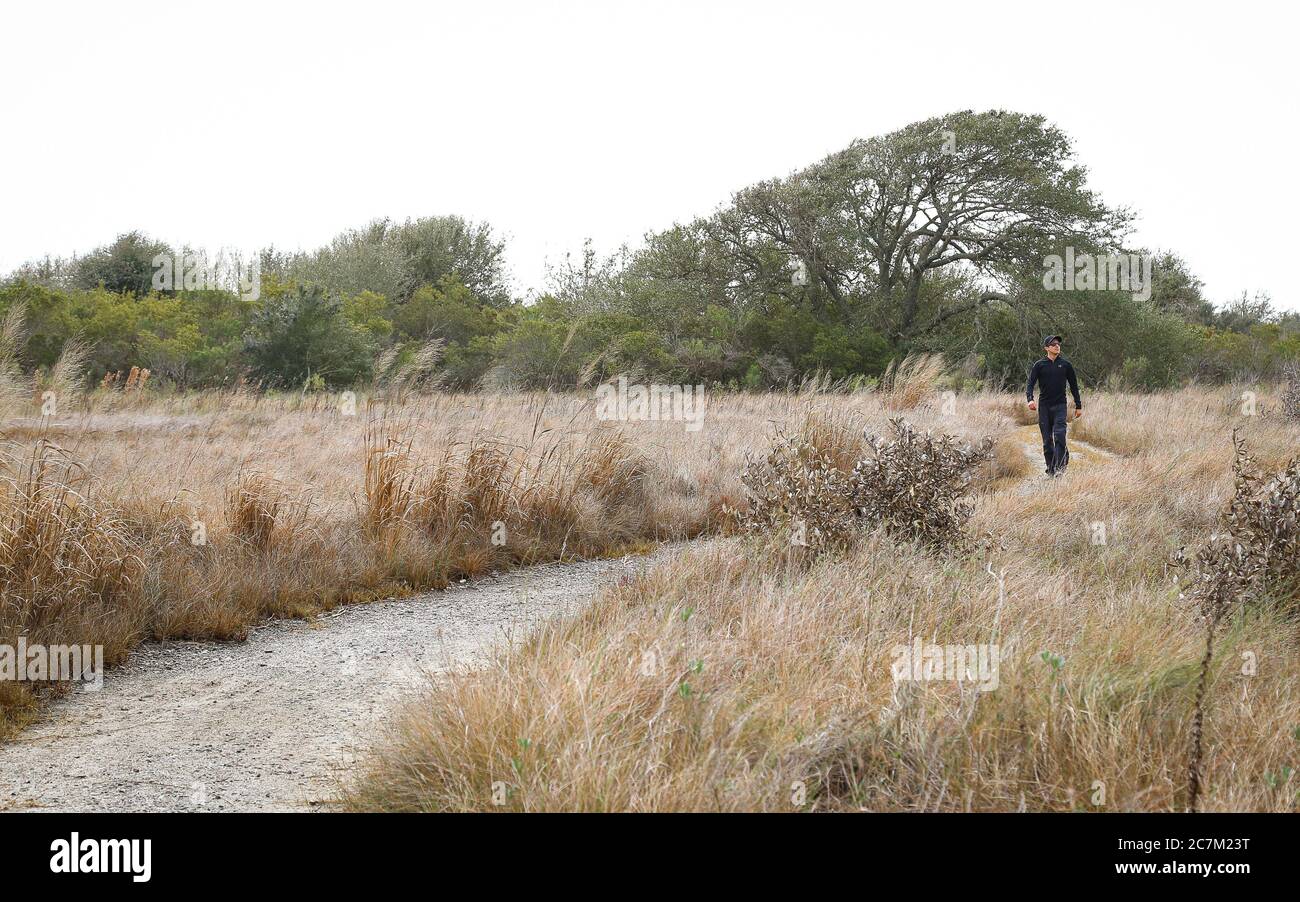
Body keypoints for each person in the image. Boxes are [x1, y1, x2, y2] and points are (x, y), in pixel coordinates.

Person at [1026, 335, 1082, 477]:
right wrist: (1030, 399)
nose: (1057, 346)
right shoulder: (1039, 365)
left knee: (1059, 435)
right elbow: (1030, 384)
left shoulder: (1066, 365)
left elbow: (1074, 386)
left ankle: (1060, 468)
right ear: (1046, 348)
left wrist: (1078, 405)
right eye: (1053, 344)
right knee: (1047, 440)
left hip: (1060, 405)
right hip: (1044, 406)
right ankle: (1051, 469)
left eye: (1058, 344)